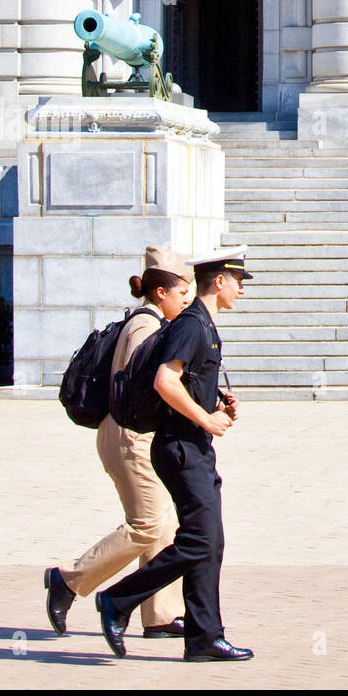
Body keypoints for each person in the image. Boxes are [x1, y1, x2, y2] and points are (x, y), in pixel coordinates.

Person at [95, 245, 251, 662]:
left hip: (193, 447)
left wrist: (214, 407)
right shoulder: (193, 325)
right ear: (219, 282)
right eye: (238, 281)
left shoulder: (201, 325)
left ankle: (204, 638)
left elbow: (184, 384)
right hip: (180, 449)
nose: (241, 290)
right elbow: (166, 381)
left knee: (210, 542)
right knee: (199, 540)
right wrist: (206, 418)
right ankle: (117, 600)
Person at [44, 246, 194, 639]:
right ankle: (68, 579)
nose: (187, 301)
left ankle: (160, 615)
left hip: (131, 434)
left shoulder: (146, 321)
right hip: (129, 436)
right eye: (182, 294)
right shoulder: (145, 326)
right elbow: (145, 388)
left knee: (162, 523)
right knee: (146, 524)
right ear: (160, 293)